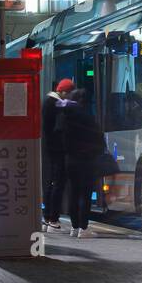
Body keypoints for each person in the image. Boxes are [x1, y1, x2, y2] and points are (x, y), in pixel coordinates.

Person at [55, 88, 107, 239]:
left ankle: (74, 226)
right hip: (86, 161)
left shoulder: (64, 116)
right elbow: (98, 138)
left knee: (73, 193)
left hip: (70, 160)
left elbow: (59, 138)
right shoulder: (86, 116)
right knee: (85, 194)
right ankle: (83, 228)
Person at [41, 78, 74, 231]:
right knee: (58, 183)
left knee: (50, 183)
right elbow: (58, 129)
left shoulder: (48, 102)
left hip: (49, 149)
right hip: (56, 150)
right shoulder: (54, 104)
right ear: (64, 92)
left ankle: (47, 217)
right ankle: (53, 218)